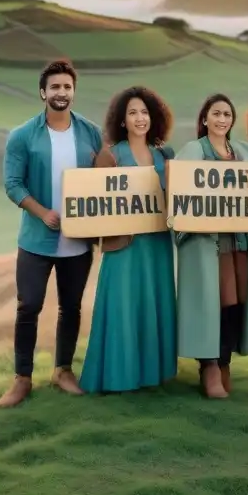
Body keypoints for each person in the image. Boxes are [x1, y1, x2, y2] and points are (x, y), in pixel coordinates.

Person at [0, 58, 103, 408]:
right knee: (28, 306)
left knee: (71, 308)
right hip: (35, 241)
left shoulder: (90, 133)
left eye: (67, 87)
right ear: (43, 92)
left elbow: (104, 180)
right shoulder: (22, 135)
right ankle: (22, 379)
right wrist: (42, 213)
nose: (61, 92)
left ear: (74, 92)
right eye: (55, 87)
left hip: (78, 242)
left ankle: (63, 371)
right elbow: (13, 184)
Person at [171, 93, 248, 399]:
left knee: (237, 304)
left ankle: (224, 364)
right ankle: (208, 366)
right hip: (209, 244)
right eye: (216, 113)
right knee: (213, 303)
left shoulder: (245, 152)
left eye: (227, 114)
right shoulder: (193, 150)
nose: (222, 119)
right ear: (205, 119)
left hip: (241, 242)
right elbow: (178, 191)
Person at [79, 86, 178, 394]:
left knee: (153, 304)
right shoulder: (111, 155)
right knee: (122, 305)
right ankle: (118, 376)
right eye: (133, 112)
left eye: (144, 112)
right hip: (124, 245)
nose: (140, 118)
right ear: (122, 120)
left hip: (157, 244)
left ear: (154, 117)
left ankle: (151, 375)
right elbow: (96, 204)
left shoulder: (166, 154)